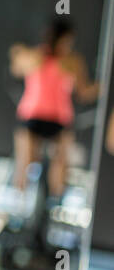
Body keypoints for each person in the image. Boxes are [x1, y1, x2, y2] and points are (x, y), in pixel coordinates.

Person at [9, 17, 100, 202]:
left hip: (59, 118)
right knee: (24, 162)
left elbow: (84, 93)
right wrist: (19, 53)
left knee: (60, 166)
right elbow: (16, 67)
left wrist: (101, 87)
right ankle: (19, 200)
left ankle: (54, 201)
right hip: (33, 115)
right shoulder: (36, 56)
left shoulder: (72, 62)